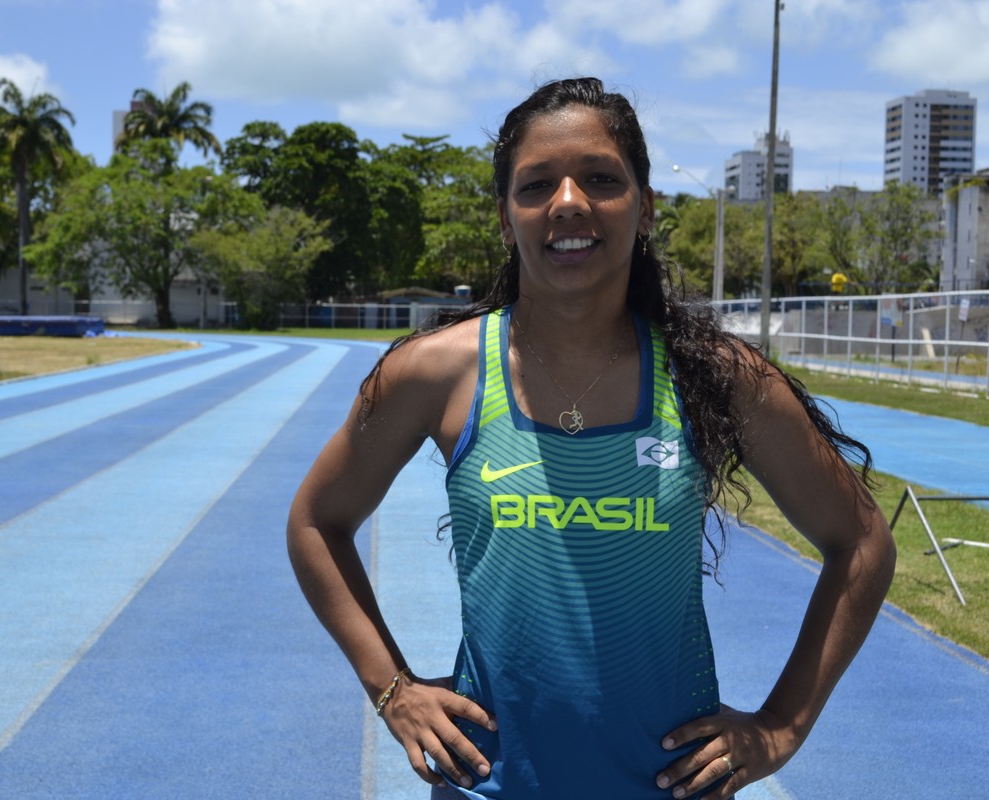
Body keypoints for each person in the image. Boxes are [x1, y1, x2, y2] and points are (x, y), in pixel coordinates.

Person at [286, 77, 895, 799]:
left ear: (645, 209)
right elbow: (316, 523)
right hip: (488, 783)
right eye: (536, 185)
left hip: (667, 785)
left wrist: (782, 725)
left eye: (601, 179)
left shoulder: (715, 376)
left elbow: (861, 542)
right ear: (507, 219)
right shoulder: (436, 373)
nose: (569, 202)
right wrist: (393, 690)